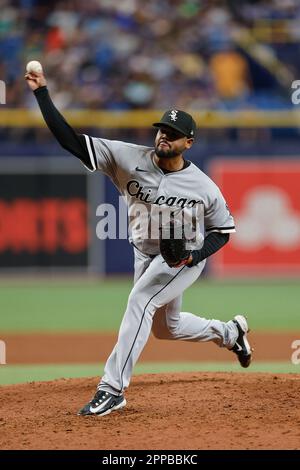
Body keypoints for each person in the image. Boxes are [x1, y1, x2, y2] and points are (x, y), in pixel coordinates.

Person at [25, 68, 252, 418]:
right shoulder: (127, 157)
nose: (164, 136)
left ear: (188, 142)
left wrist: (194, 256)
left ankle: (112, 389)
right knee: (167, 328)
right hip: (142, 253)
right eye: (162, 129)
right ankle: (230, 332)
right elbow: (70, 141)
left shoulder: (204, 187)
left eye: (173, 134)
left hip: (180, 258)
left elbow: (223, 230)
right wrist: (42, 93)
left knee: (140, 300)